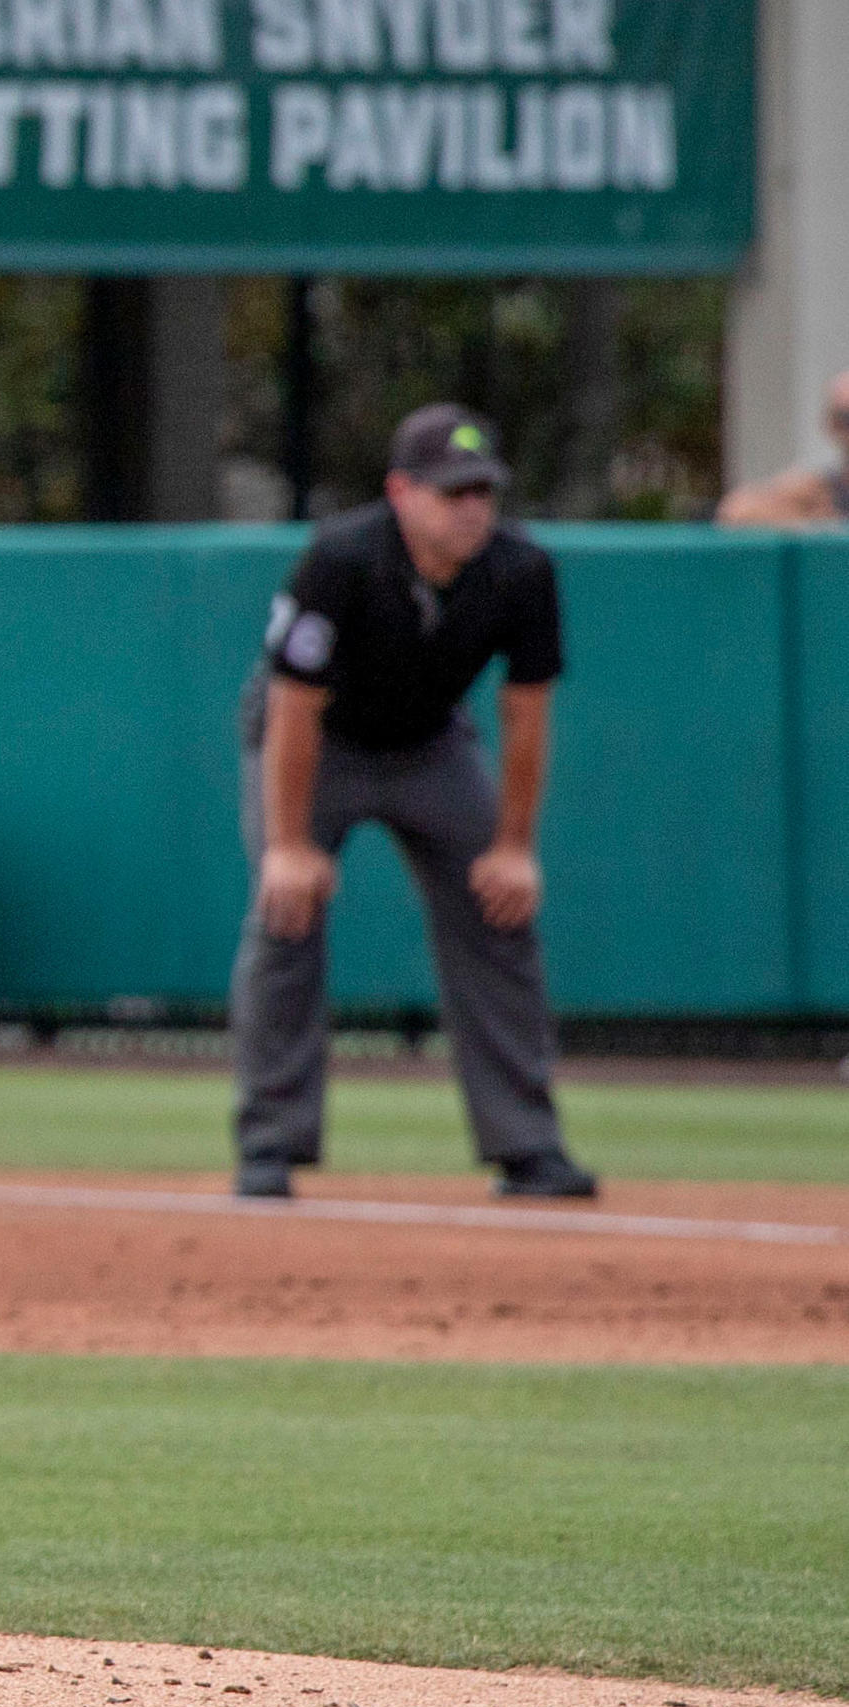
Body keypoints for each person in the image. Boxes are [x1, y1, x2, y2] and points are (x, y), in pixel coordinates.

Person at [231, 402, 593, 1202]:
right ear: (401, 491)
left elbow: (526, 711)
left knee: (500, 910)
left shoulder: (521, 571)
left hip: (430, 746)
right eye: (451, 492)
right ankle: (270, 1145)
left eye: (482, 492)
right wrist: (288, 846)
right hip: (315, 744)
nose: (471, 509)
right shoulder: (342, 559)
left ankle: (528, 1146)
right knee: (286, 913)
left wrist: (515, 846)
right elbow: (293, 705)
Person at [715, 368, 849, 528]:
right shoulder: (816, 493)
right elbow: (736, 511)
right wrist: (814, 524)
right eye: (847, 418)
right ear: (832, 424)